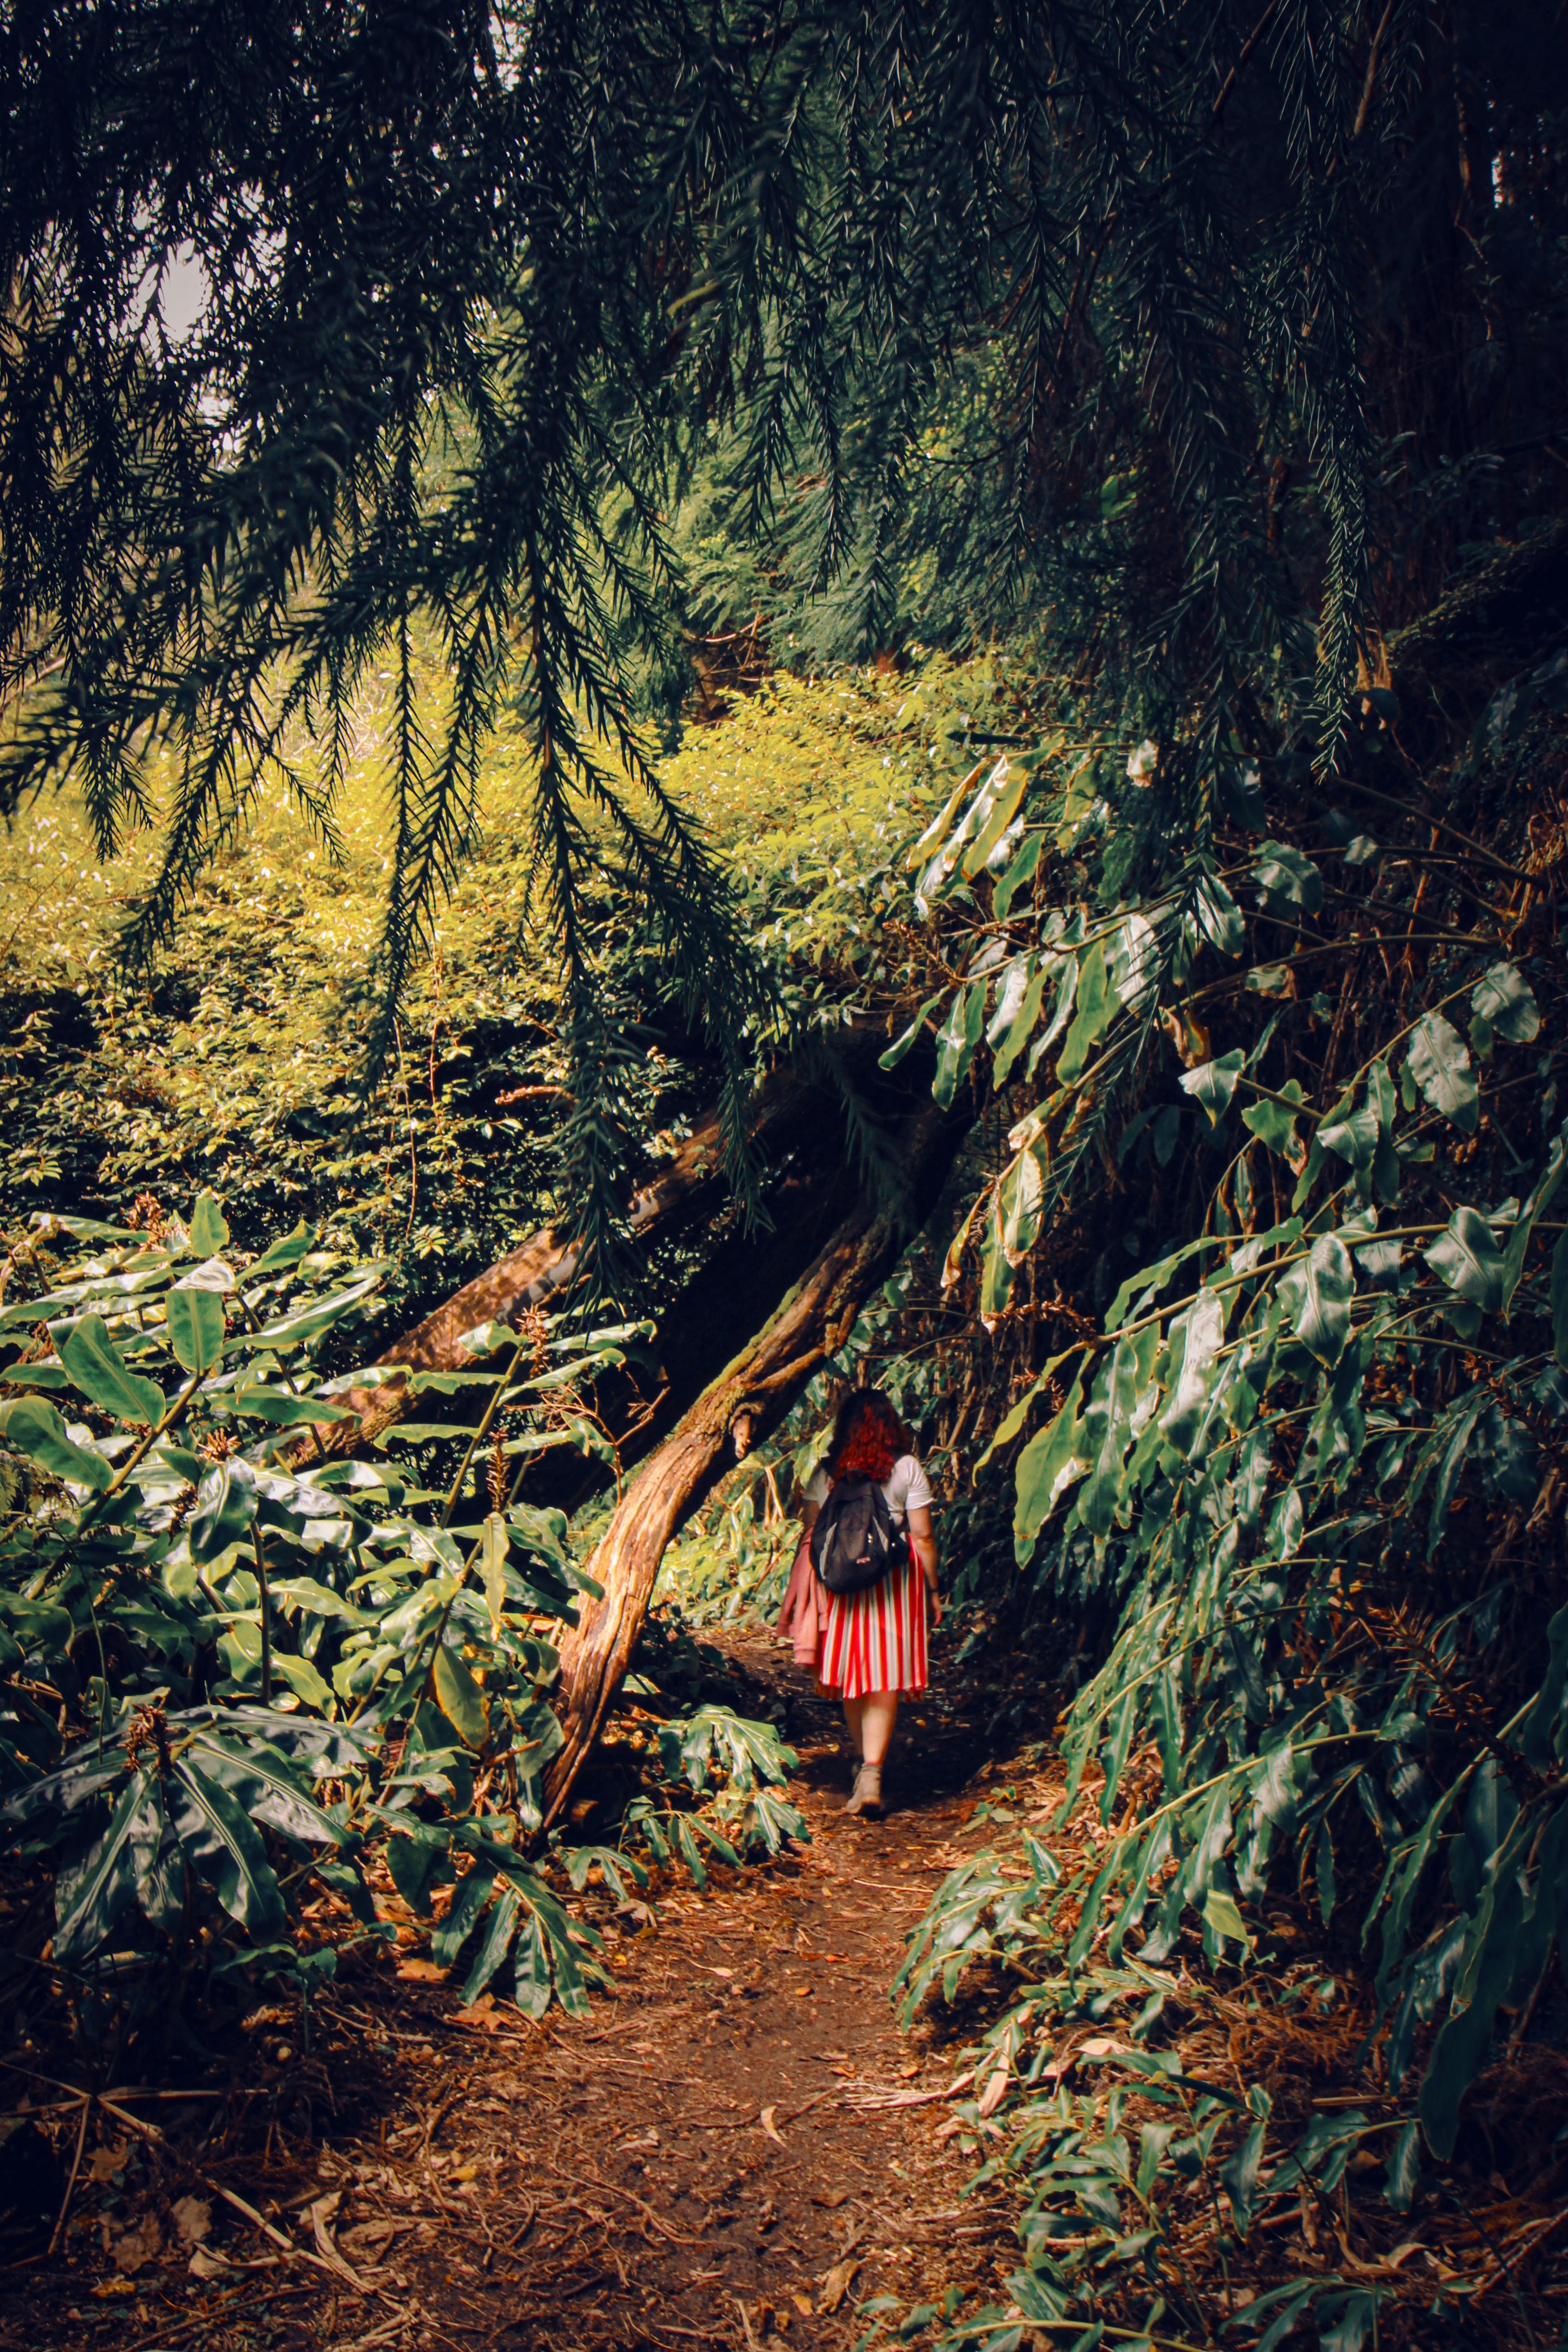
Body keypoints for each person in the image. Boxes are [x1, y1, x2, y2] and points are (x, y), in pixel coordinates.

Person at [776, 1388, 940, 1818]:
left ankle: (864, 1767)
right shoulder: (907, 1469)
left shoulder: (827, 1473)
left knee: (852, 1675)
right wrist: (933, 1593)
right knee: (883, 1677)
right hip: (894, 1585)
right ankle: (872, 1770)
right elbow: (922, 1537)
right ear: (891, 1425)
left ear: (844, 1427)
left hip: (841, 1588)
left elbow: (814, 1534)